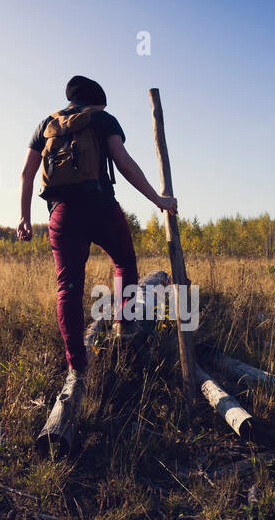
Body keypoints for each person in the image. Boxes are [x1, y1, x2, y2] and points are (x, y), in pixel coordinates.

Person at [17, 76, 177, 376]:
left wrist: (24, 217)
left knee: (68, 288)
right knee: (125, 263)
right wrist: (158, 199)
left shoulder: (45, 125)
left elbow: (27, 173)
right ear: (96, 101)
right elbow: (124, 163)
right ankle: (124, 326)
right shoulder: (103, 119)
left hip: (62, 214)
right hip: (101, 208)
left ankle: (77, 365)